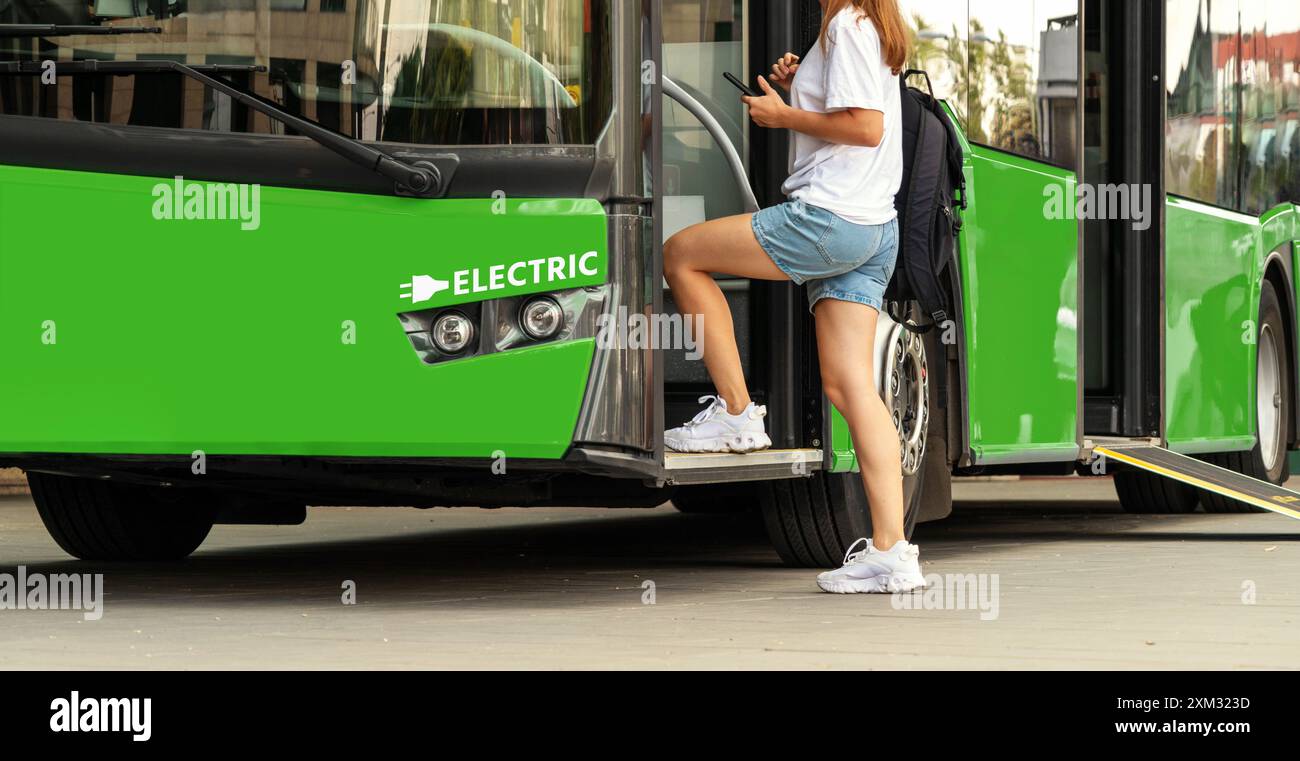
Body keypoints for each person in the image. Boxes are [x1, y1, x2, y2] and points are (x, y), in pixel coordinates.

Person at [661, 0, 925, 593]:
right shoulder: (872, 27)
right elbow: (858, 113)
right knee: (851, 386)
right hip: (873, 228)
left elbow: (866, 127)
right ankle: (892, 551)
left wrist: (783, 118)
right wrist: (798, 88)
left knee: (681, 253)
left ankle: (735, 415)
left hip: (829, 219)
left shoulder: (847, 25)